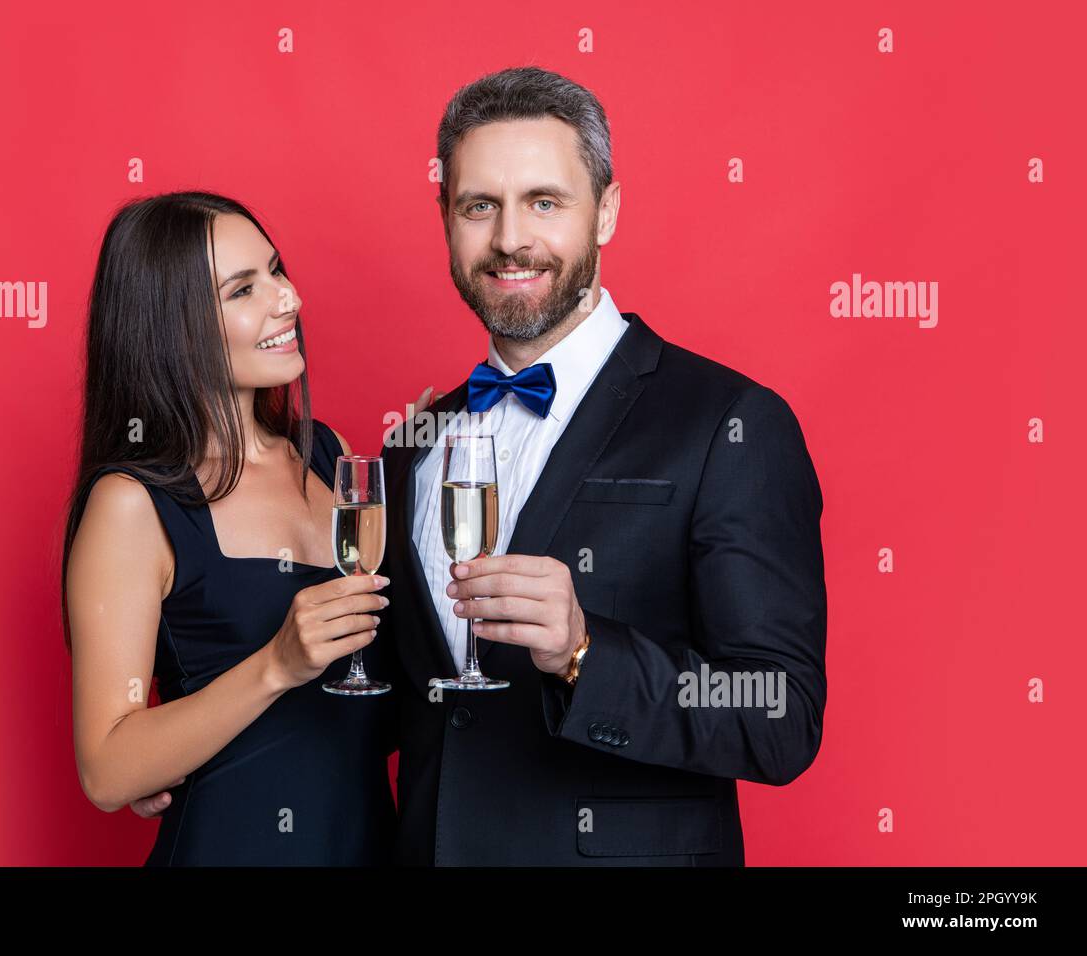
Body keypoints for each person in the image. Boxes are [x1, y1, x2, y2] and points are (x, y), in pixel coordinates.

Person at [375, 65, 828, 865]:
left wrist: (587, 651)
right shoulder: (413, 442)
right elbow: (397, 703)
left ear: (606, 211)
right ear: (445, 216)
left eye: (544, 202)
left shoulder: (731, 422)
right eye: (481, 205)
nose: (511, 238)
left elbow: (779, 715)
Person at [61, 191, 396, 865]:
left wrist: (421, 467)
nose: (288, 298)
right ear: (172, 329)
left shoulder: (327, 453)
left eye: (276, 270)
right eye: (244, 289)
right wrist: (277, 665)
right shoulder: (134, 502)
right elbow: (106, 771)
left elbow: (380, 698)